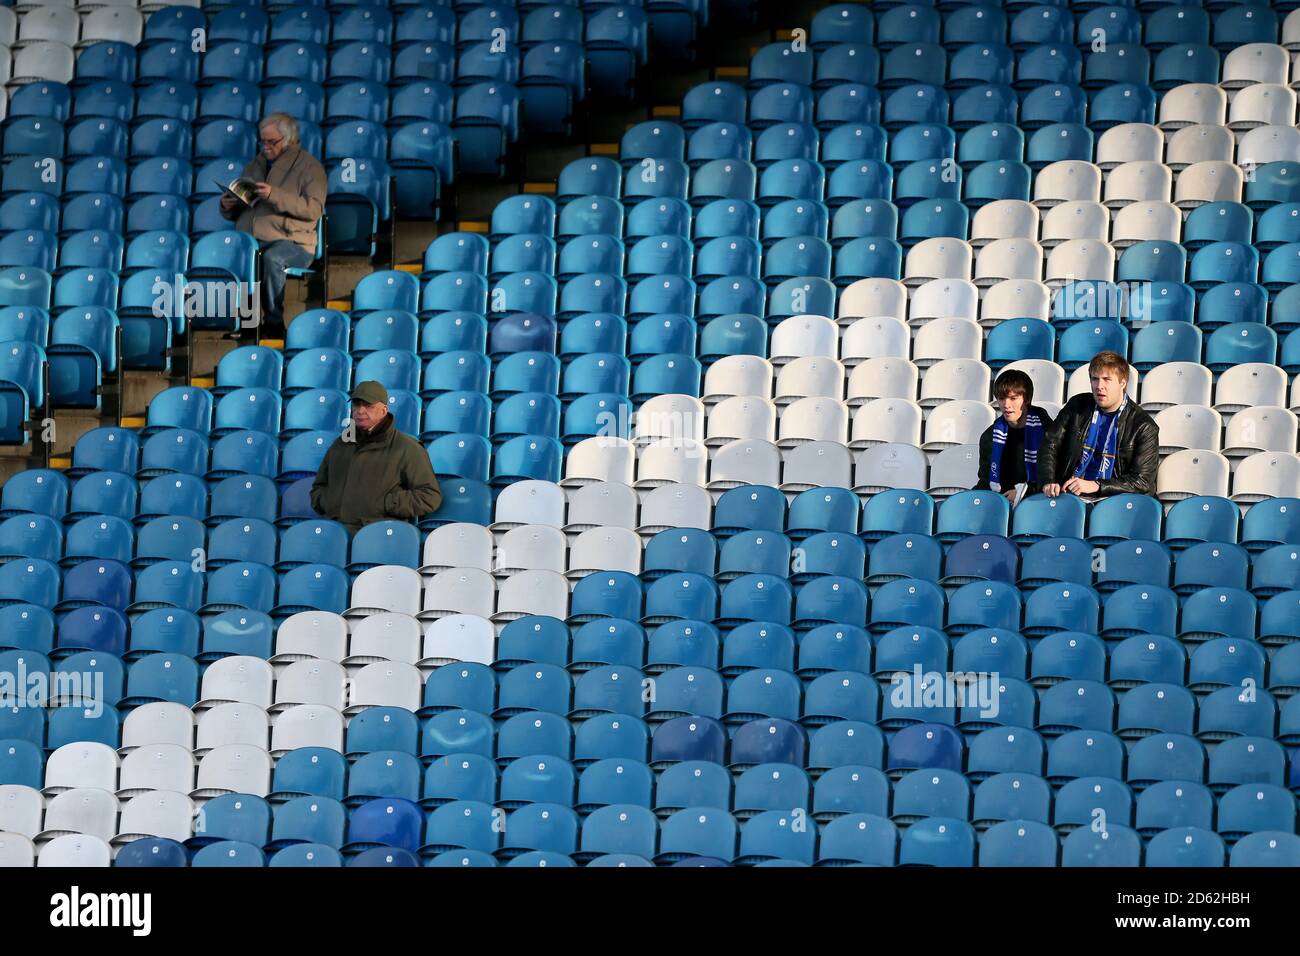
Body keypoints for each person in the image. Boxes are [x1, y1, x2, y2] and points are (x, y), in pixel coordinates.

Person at [219, 112, 326, 337]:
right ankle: (248, 324)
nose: (265, 146)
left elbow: (313, 209)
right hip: (253, 240)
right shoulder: (255, 165)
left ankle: (275, 323)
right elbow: (244, 202)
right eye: (262, 140)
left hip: (293, 242)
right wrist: (229, 204)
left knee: (272, 259)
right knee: (238, 257)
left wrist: (274, 195)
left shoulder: (309, 167)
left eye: (271, 142)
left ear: (288, 140)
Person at [311, 381, 442, 534]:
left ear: (383, 410)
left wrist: (386, 503)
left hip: (379, 537)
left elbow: (430, 496)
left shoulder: (407, 448)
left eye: (368, 406)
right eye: (356, 405)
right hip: (335, 534)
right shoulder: (340, 444)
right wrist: (330, 502)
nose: (360, 411)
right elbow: (318, 488)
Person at [1037, 350, 1160, 499]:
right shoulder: (1077, 406)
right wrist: (1048, 481)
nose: (1099, 386)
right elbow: (1050, 444)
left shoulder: (1144, 426)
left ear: (1123, 382)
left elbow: (1142, 481)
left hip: (1116, 500)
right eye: (1095, 379)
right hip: (1071, 494)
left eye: (1107, 379)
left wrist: (1097, 485)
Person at [974, 368, 1055, 501]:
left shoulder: (1048, 432)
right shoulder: (990, 437)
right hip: (1001, 503)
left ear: (1027, 399)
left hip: (1040, 501)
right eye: (1001, 399)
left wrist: (1022, 492)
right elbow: (985, 481)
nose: (1006, 405)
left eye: (1013, 398)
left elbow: (1055, 479)